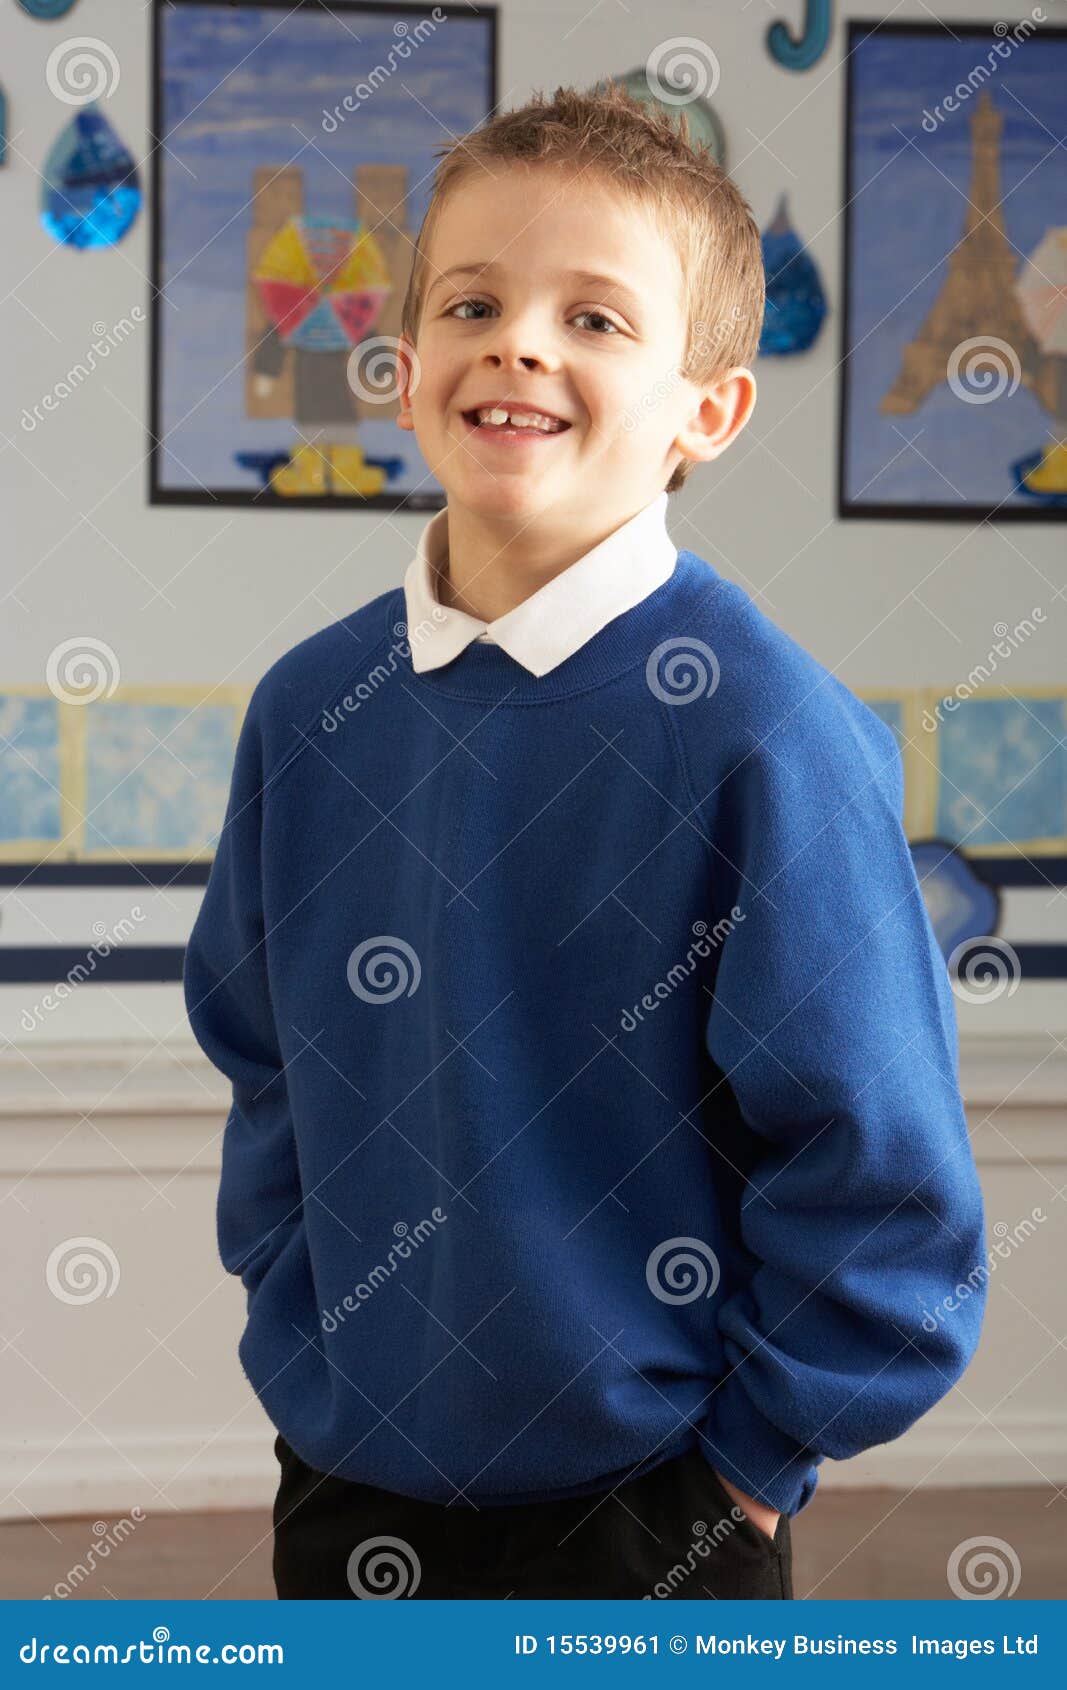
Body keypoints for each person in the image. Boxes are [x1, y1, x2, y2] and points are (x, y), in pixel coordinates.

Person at [182, 83, 987, 1601]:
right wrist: (304, 1327)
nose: (521, 342)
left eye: (598, 319)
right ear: (407, 362)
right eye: (473, 300)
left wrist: (747, 1467)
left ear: (710, 408)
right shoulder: (310, 709)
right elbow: (262, 1051)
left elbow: (884, 1177)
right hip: (348, 1484)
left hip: (655, 1514)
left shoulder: (768, 729)